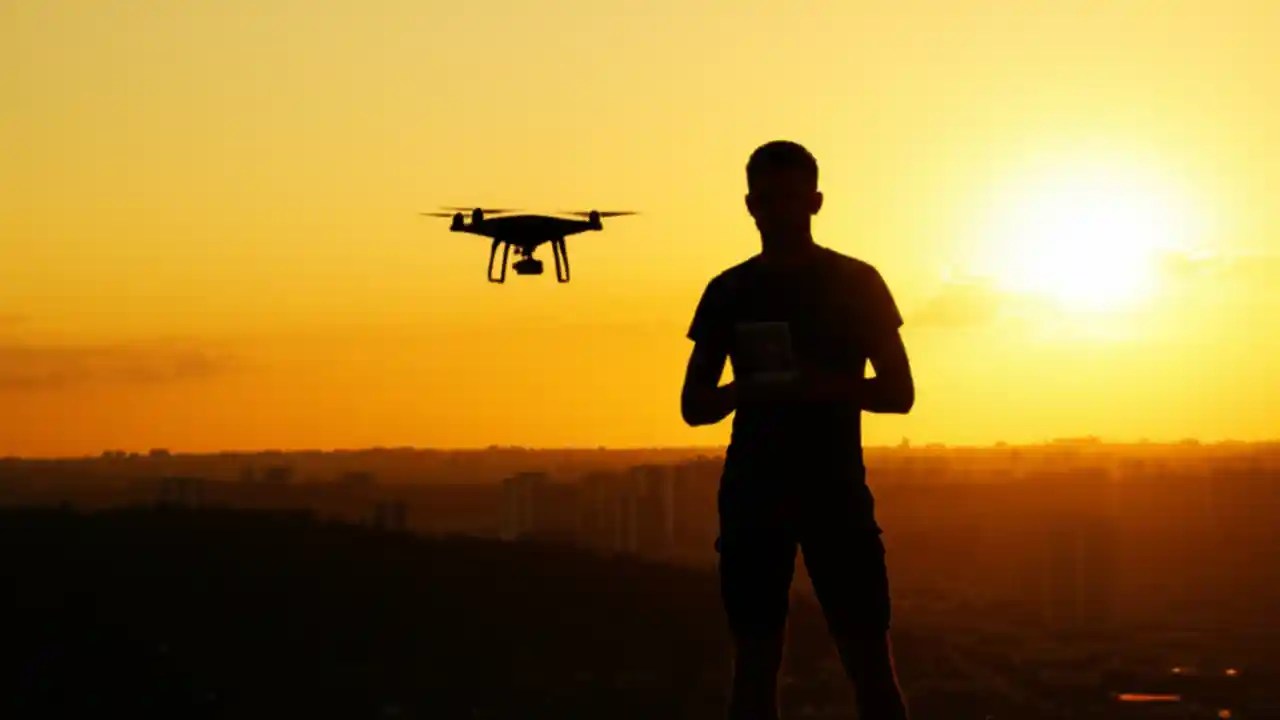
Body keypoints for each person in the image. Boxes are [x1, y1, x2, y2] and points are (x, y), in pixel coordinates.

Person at [681, 140, 914, 720]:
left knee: (869, 669)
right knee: (755, 671)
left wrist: (814, 385)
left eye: (790, 197)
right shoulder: (728, 291)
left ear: (814, 201)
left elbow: (899, 393)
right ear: (751, 205)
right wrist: (748, 391)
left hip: (833, 495)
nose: (780, 209)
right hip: (757, 497)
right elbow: (695, 405)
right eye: (769, 198)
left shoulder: (857, 282)